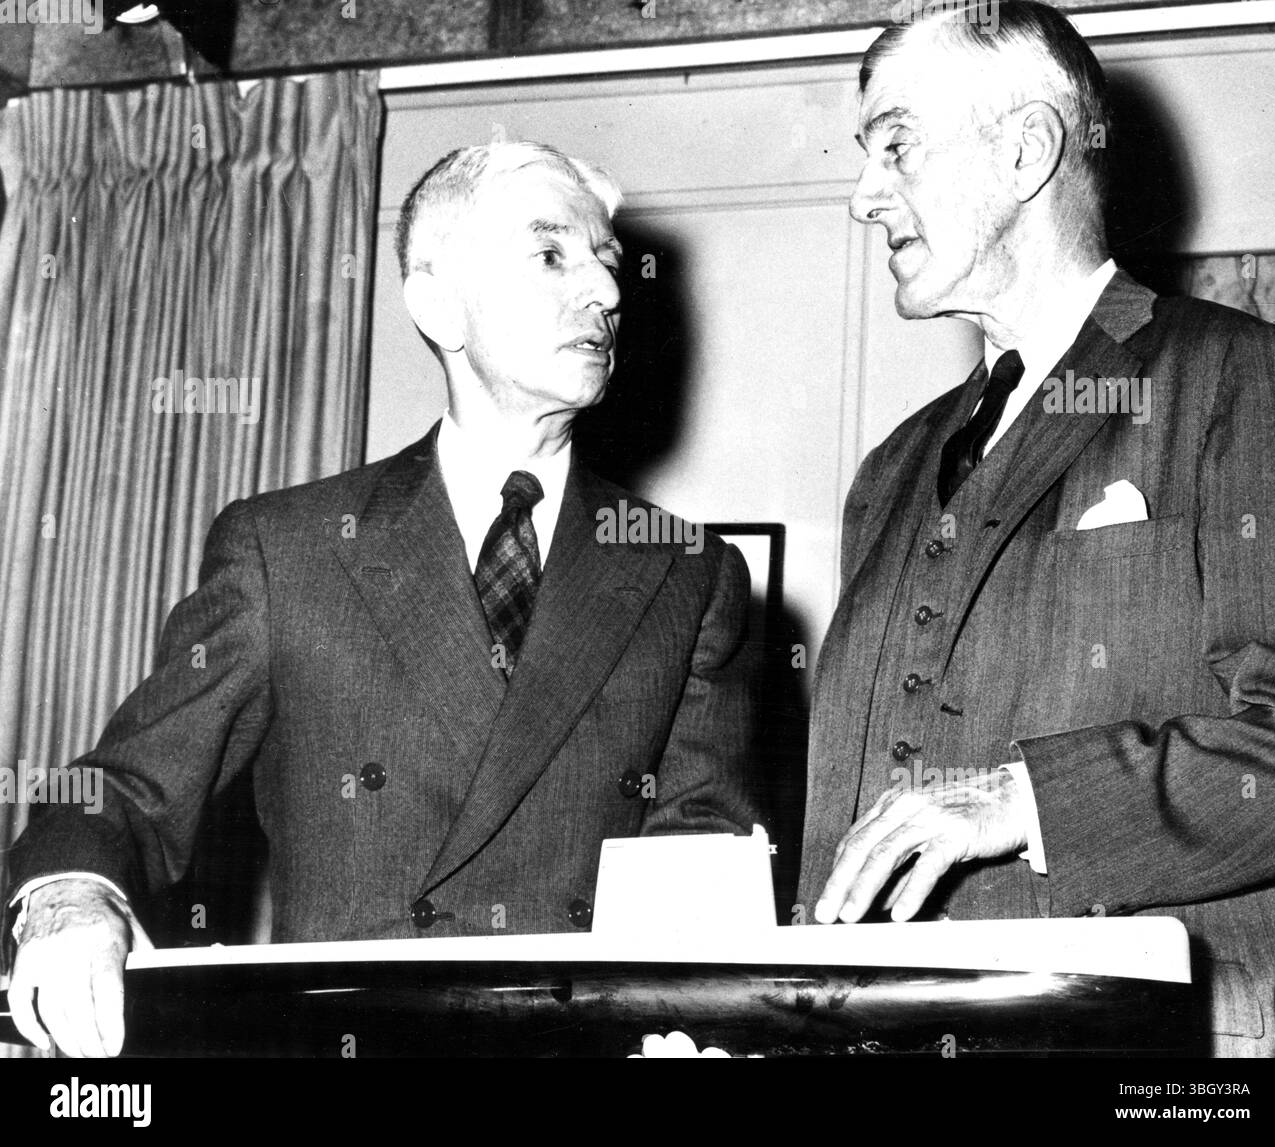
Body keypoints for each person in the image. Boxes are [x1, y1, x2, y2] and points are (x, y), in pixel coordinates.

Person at [4, 141, 759, 1057]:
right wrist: (72, 894)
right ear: (437, 301)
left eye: (607, 263)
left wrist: (707, 1018)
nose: (604, 292)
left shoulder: (689, 572)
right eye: (553, 254)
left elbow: (698, 847)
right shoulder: (287, 550)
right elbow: (127, 784)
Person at [800, 1, 1275, 1056]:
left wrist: (1020, 799)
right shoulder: (890, 469)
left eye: (895, 145)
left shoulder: (1230, 374)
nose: (861, 195)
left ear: (1026, 150)